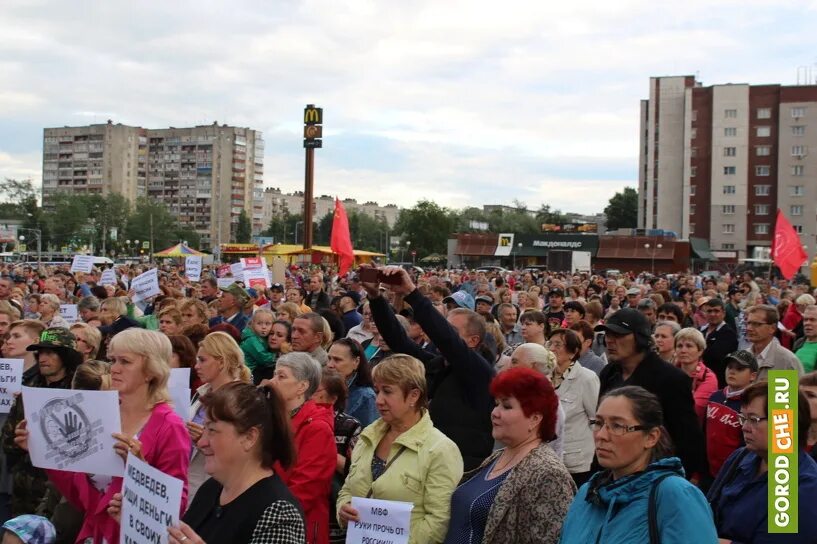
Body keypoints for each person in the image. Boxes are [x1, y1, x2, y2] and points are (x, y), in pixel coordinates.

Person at [15, 328, 191, 543]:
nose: (114, 369)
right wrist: (43, 448)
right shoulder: (99, 413)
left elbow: (176, 505)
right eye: (112, 360)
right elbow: (79, 497)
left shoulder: (170, 426)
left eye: (125, 361)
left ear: (151, 370)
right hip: (94, 535)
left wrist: (139, 469)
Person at [363, 266, 496, 471]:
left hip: (461, 469)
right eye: (444, 326)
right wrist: (375, 297)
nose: (440, 333)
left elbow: (446, 339)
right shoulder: (437, 365)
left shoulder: (480, 373)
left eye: (451, 330)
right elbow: (398, 340)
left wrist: (411, 293)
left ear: (473, 340)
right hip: (426, 461)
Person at [559, 386, 718, 543]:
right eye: (599, 423)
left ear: (651, 437)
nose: (601, 435)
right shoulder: (587, 493)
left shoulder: (675, 495)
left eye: (617, 426)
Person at [338, 354, 463, 544]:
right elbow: (347, 488)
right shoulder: (367, 437)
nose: (378, 400)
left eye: (387, 391)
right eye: (377, 391)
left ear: (414, 395)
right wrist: (344, 509)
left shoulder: (440, 449)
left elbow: (439, 521)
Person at [444, 367, 575, 544]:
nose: (494, 413)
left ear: (535, 419)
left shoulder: (549, 473)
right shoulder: (497, 457)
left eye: (506, 406)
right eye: (496, 404)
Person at [595, 309, 706, 478]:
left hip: (653, 475)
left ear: (640, 338)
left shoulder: (671, 379)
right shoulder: (608, 373)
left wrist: (677, 478)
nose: (609, 340)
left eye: (618, 335)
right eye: (608, 335)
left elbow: (687, 438)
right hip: (613, 471)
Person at [707, 381, 817, 543]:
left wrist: (703, 539)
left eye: (754, 419)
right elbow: (709, 509)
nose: (744, 427)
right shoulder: (741, 457)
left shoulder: (804, 487)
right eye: (743, 418)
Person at [2, 328, 81, 517]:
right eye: (41, 353)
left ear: (66, 356)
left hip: (62, 494)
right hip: (25, 491)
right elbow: (7, 441)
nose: (43, 358)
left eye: (51, 353)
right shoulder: (28, 391)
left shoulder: (81, 392)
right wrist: (19, 441)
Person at [267, 352, 335, 544]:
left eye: (281, 376)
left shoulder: (317, 429)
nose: (272, 382)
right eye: (274, 375)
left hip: (295, 527)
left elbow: (305, 488)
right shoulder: (272, 418)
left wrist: (264, 512)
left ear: (302, 387)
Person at [187, 332, 252, 498]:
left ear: (221, 362)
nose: (196, 366)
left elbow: (241, 450)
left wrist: (205, 439)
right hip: (190, 482)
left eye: (202, 360)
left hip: (215, 487)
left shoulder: (240, 399)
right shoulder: (203, 392)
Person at [312, 370, 362, 544]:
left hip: (335, 511)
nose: (308, 396)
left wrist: (324, 448)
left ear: (333, 398)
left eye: (315, 391)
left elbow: (356, 472)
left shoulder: (350, 426)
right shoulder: (298, 420)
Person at [548, 329, 599, 487]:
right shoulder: (545, 376)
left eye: (558, 345)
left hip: (575, 460)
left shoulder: (586, 378)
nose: (552, 348)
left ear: (573, 352)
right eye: (550, 343)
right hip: (549, 457)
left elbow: (596, 418)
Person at [704, 351, 758, 478]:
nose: (732, 372)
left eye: (739, 369)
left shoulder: (752, 405)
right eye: (730, 367)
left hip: (735, 472)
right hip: (709, 471)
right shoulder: (715, 397)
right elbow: (704, 432)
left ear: (752, 376)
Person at [326, 338, 377, 427]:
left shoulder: (366, 397)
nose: (330, 365)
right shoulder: (322, 387)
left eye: (337, 360)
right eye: (329, 358)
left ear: (356, 362)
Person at [745, 304, 805, 379]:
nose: (749, 328)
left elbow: (784, 388)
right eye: (748, 323)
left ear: (772, 328)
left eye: (756, 324)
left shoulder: (785, 362)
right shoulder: (742, 357)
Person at [673, 327, 718, 422]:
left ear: (700, 351)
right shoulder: (670, 372)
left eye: (689, 346)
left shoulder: (708, 378)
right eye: (679, 346)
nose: (683, 350)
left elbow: (694, 410)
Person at [700, 298, 739, 388]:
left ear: (723, 313)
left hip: (718, 380)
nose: (712, 314)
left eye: (716, 311)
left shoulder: (728, 333)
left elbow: (715, 355)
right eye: (709, 311)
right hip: (701, 378)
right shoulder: (701, 330)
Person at [239, 308, 276, 375]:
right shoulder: (251, 339)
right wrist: (278, 355)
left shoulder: (261, 337)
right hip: (248, 374)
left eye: (267, 324)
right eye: (259, 323)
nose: (263, 327)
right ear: (252, 324)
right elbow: (265, 359)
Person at [794, 304, 817, 373]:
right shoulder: (799, 342)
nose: (807, 323)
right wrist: (771, 379)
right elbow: (791, 373)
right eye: (805, 320)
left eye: (812, 320)